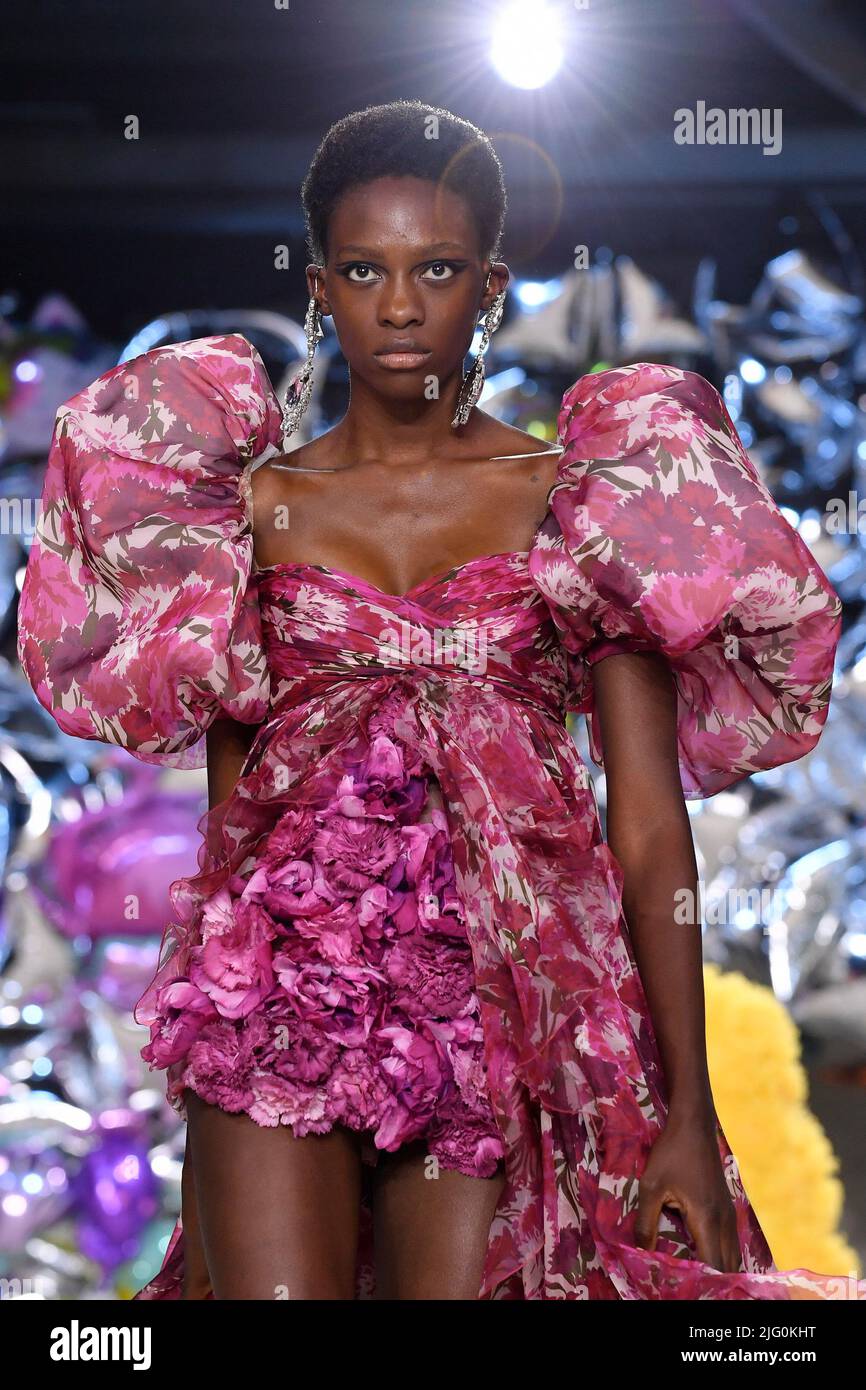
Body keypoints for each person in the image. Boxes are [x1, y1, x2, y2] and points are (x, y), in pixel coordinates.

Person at [17, 100, 858, 1302]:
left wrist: (686, 1114)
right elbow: (232, 823)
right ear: (319, 286)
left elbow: (646, 827)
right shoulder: (238, 515)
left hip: (500, 1006)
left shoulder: (581, 500)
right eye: (364, 271)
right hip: (278, 991)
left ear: (490, 285)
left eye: (437, 271)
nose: (400, 307)